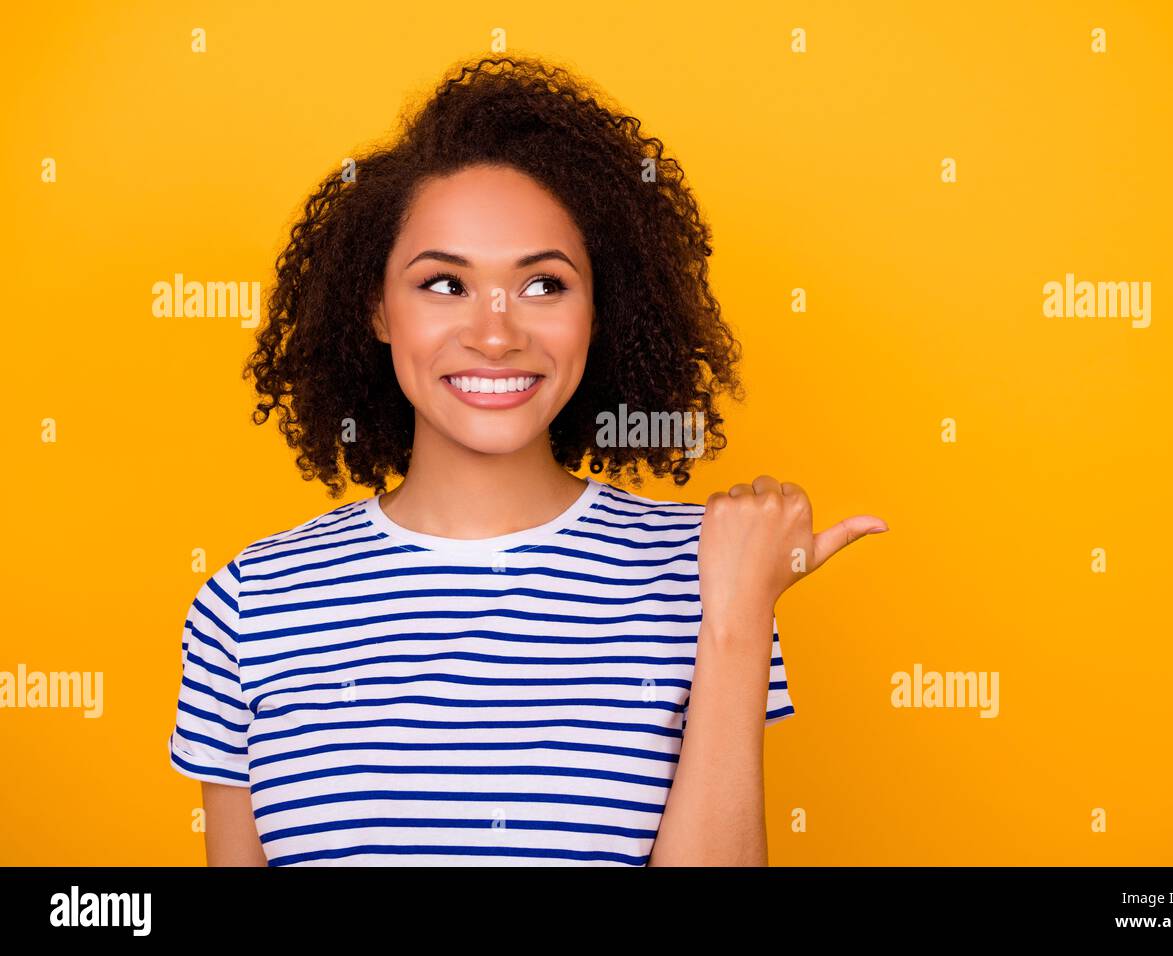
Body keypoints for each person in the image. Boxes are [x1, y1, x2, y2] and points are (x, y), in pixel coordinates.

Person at [167, 55, 887, 866]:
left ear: (599, 311)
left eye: (544, 285)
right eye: (444, 284)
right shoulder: (252, 603)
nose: (498, 331)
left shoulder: (707, 572)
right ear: (375, 308)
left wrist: (737, 613)